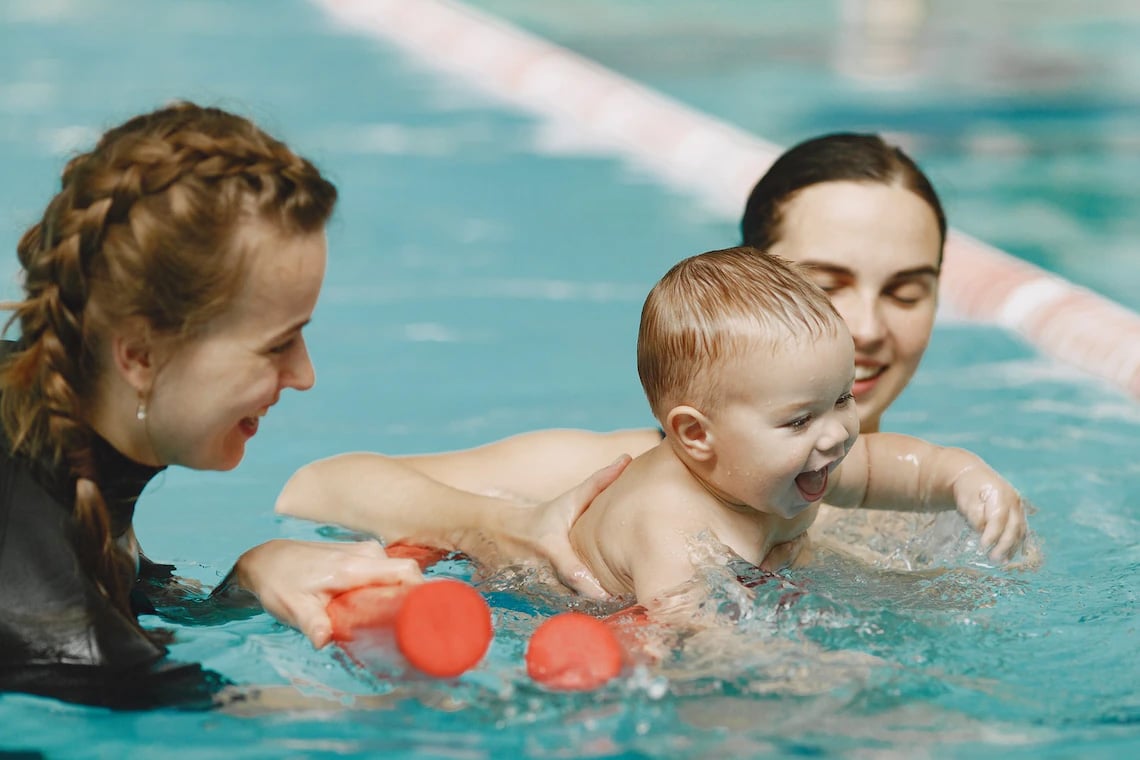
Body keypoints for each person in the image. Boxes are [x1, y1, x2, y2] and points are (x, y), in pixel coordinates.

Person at [0, 101, 625, 708]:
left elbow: (125, 600)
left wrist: (249, 578)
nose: (304, 375)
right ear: (138, 355)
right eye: (276, 345)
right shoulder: (58, 626)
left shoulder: (45, 402)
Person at [275, 132, 976, 567]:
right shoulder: (625, 474)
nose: (870, 326)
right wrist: (504, 528)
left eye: (908, 293)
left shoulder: (939, 513)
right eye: (826, 285)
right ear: (753, 280)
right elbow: (317, 488)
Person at [568, 247, 1025, 609]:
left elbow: (899, 470)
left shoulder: (793, 464)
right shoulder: (670, 526)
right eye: (800, 420)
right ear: (696, 434)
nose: (836, 434)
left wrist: (962, 477)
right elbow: (700, 645)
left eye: (843, 399)